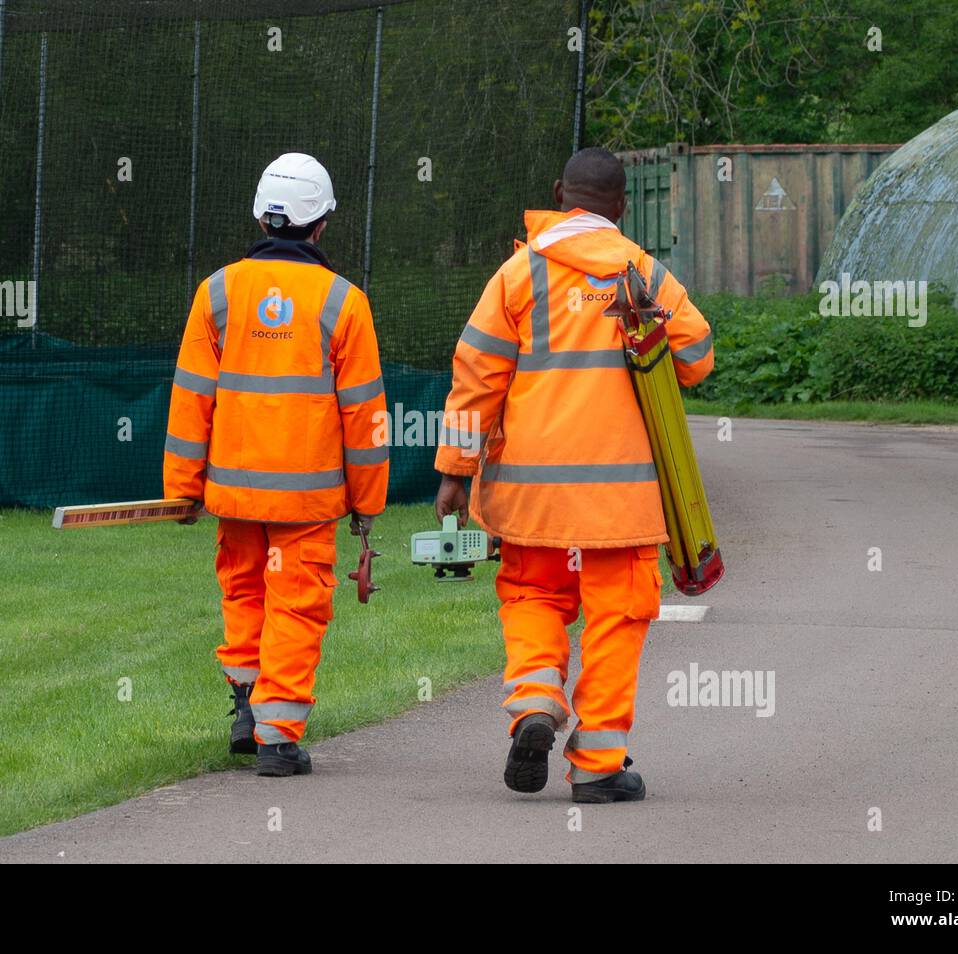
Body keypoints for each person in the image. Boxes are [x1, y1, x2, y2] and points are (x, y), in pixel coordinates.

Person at [433, 147, 714, 803]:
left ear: (560, 194)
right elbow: (697, 356)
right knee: (617, 618)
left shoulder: (517, 274)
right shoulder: (639, 272)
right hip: (621, 504)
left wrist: (453, 469)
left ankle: (535, 697)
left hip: (532, 499)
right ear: (619, 207)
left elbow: (474, 377)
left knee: (533, 599)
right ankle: (598, 764)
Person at [164, 153, 388, 777]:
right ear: (322, 225)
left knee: (243, 593)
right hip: (306, 502)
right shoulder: (345, 302)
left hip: (234, 496)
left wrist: (182, 490)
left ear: (263, 215)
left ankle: (245, 705)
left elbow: (190, 400)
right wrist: (368, 505)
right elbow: (365, 419)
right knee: (294, 603)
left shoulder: (216, 292)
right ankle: (278, 739)